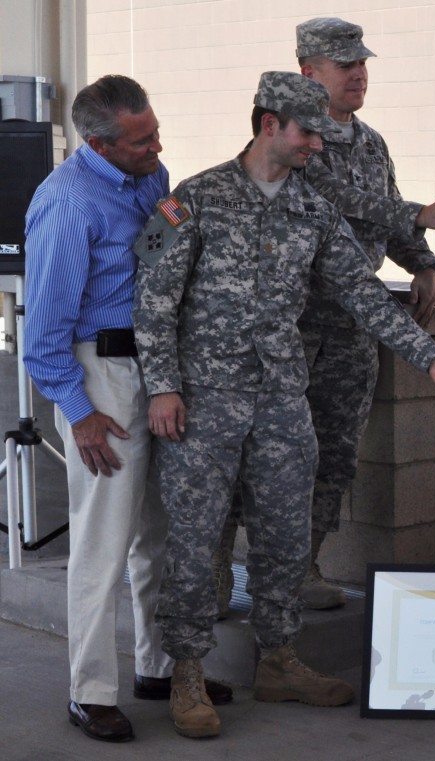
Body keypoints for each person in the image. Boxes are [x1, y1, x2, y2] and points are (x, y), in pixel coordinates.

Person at [132, 71, 435, 739]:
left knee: (286, 536)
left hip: (285, 402)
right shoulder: (194, 199)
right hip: (205, 402)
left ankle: (281, 658)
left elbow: (363, 293)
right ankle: (189, 670)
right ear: (268, 125)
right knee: (198, 540)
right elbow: (153, 297)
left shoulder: (313, 211)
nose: (319, 141)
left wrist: (428, 356)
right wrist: (164, 385)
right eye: (307, 130)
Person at [209, 17, 435, 616]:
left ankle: (304, 567)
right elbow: (334, 200)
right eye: (344, 65)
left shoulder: (372, 142)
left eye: (362, 64)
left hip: (352, 324)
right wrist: (416, 213)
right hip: (293, 325)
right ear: (309, 70)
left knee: (332, 456)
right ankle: (222, 574)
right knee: (255, 455)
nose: (358, 74)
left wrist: (424, 263)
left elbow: (383, 217)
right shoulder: (291, 138)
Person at [22, 75, 232, 744]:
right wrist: (80, 413)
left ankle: (157, 665)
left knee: (159, 534)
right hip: (101, 375)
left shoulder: (151, 174)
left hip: (158, 367)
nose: (158, 147)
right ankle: (89, 691)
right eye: (142, 141)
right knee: (103, 541)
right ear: (99, 143)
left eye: (156, 131)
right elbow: (42, 336)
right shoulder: (65, 204)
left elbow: (156, 256)